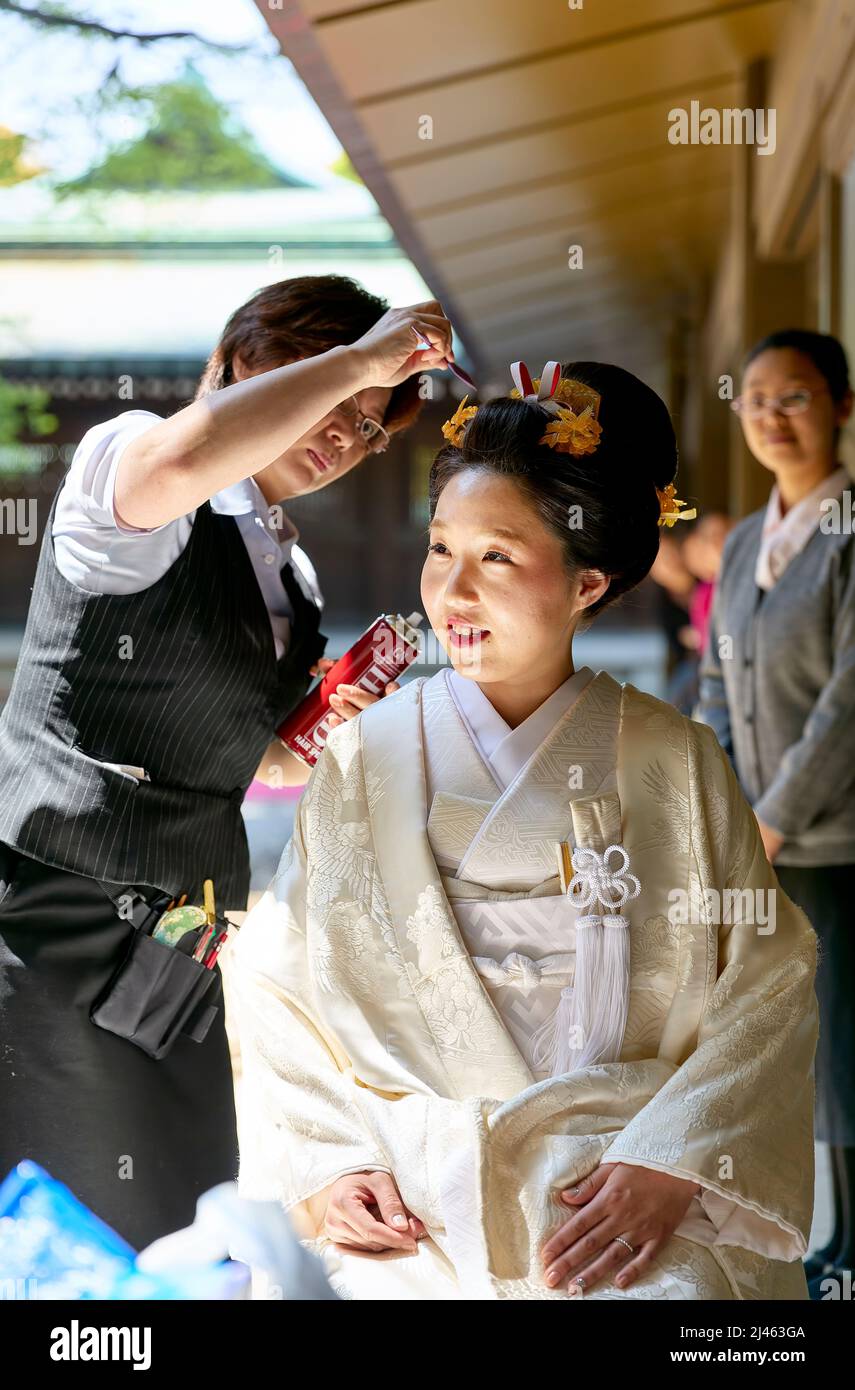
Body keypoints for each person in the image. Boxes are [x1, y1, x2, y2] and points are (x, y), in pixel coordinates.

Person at [231, 359, 818, 1300]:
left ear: (589, 581)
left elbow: (767, 982)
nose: (452, 592)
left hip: (621, 1186)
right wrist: (332, 1165)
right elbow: (276, 978)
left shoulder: (673, 758)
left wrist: (677, 1162)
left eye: (496, 557)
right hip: (413, 1194)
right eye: (440, 550)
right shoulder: (364, 756)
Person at [0, 273, 455, 1249]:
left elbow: (254, 765)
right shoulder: (129, 457)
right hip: (62, 912)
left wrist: (324, 723)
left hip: (188, 929)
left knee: (187, 1213)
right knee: (82, 1219)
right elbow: (197, 447)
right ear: (244, 357)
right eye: (334, 396)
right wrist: (373, 355)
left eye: (370, 427)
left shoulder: (289, 568)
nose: (347, 433)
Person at [694, 329, 855, 1293]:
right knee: (794, 1044)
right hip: (757, 840)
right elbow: (716, 688)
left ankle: (850, 1247)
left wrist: (777, 816)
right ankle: (828, 1243)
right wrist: (719, 809)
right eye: (753, 399)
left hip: (832, 842)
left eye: (792, 396)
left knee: (843, 1041)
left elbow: (849, 698)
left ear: (840, 406)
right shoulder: (750, 538)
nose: (769, 415)